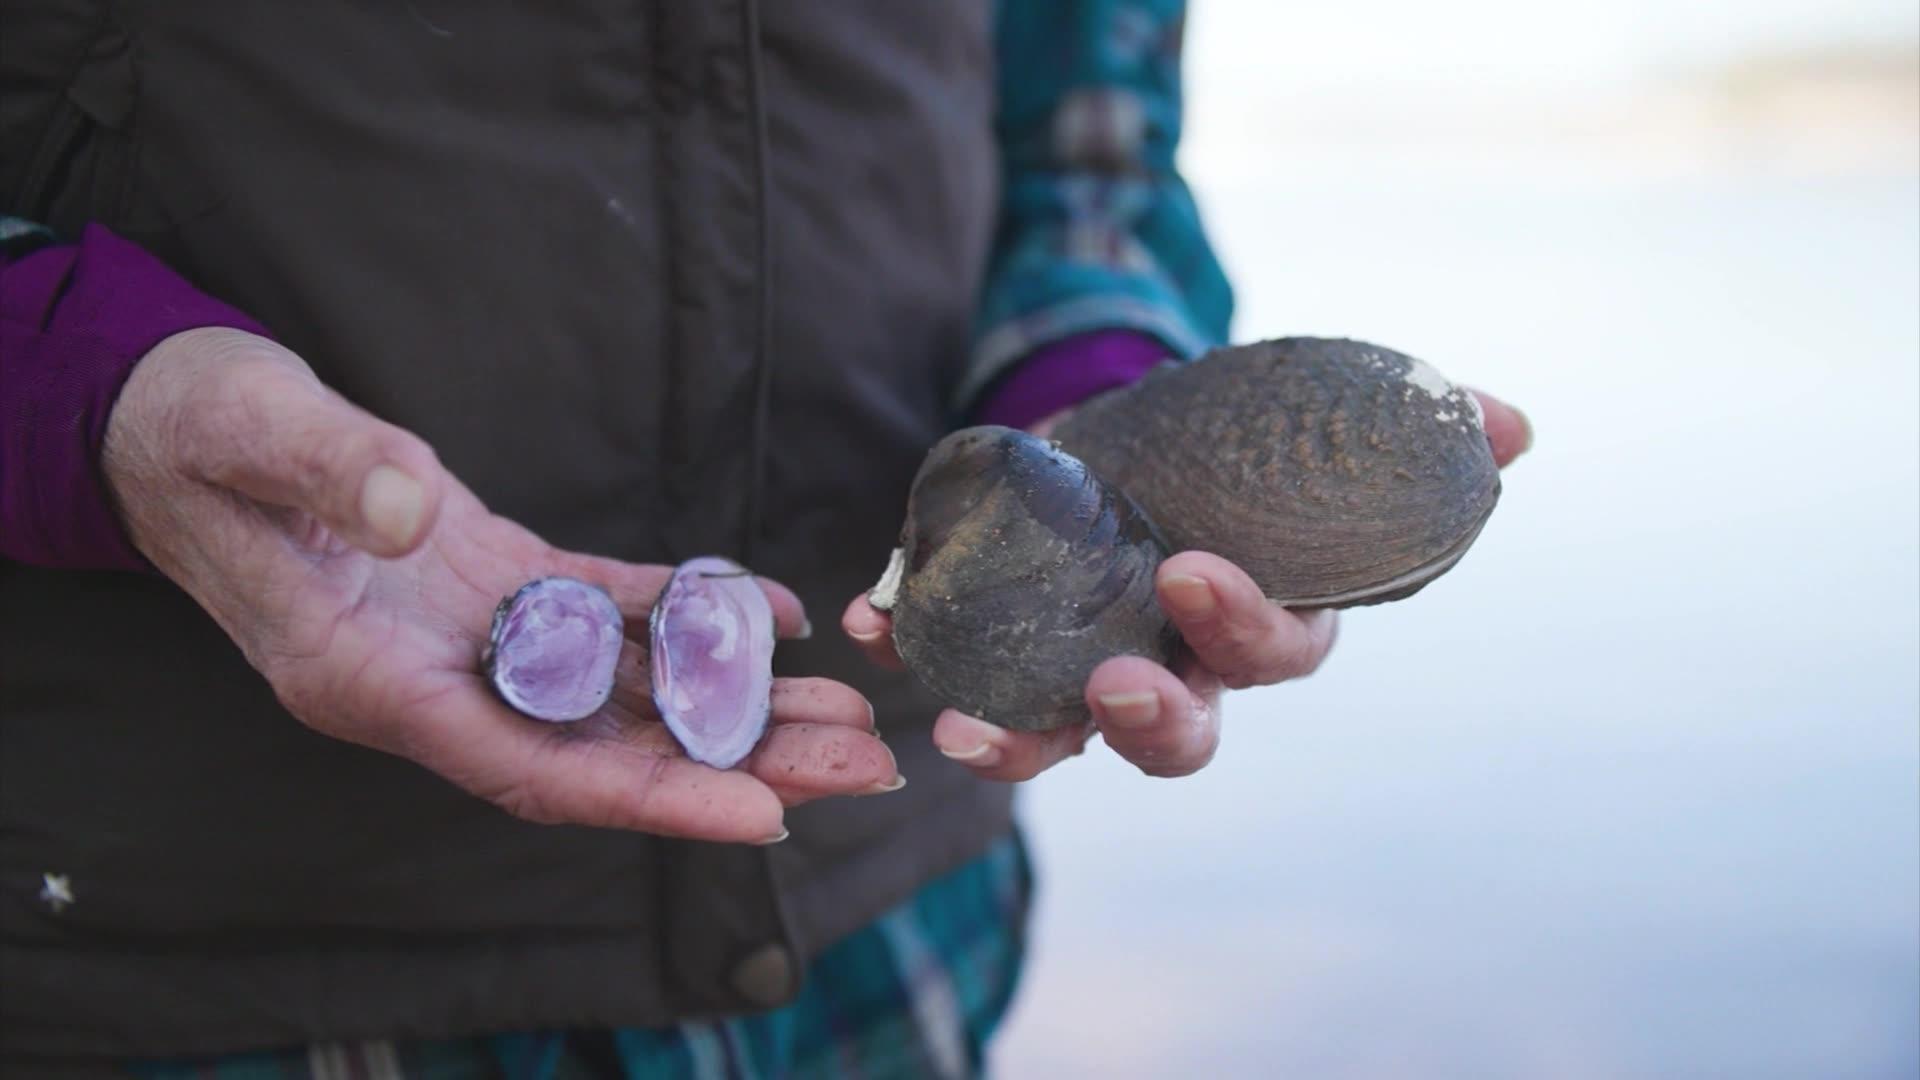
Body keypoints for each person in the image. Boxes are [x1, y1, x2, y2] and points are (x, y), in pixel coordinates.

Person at [0, 2, 1530, 1076]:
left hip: (883, 898)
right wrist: (73, 376)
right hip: (180, 952)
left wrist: (1106, 426)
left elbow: (1092, 144)